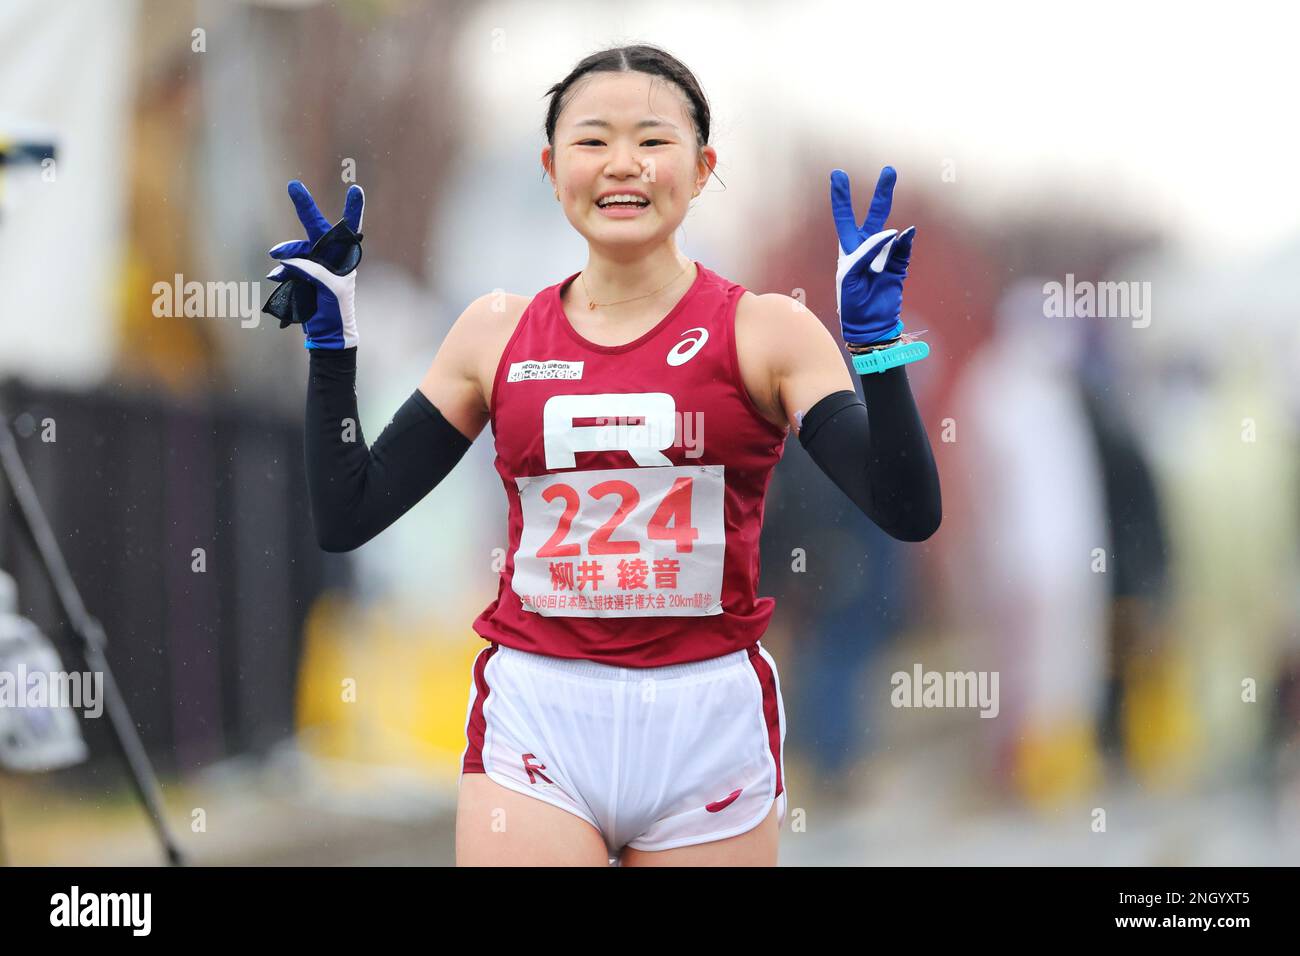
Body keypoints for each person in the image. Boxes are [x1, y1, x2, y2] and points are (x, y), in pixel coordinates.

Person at [263, 44, 940, 866]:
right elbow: (349, 512)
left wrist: (876, 347)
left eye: (654, 140)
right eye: (592, 141)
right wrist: (331, 355)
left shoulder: (767, 331)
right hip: (541, 717)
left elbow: (907, 510)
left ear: (702, 168)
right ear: (552, 169)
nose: (624, 164)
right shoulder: (495, 332)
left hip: (707, 723)